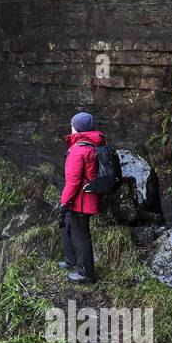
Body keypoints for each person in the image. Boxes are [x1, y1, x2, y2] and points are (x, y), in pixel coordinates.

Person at [58, 111, 103, 283]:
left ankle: (85, 274)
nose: (70, 127)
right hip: (86, 197)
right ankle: (72, 261)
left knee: (81, 234)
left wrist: (64, 202)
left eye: (72, 124)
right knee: (68, 226)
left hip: (81, 201)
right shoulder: (93, 144)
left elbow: (73, 181)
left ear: (77, 128)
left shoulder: (79, 150)